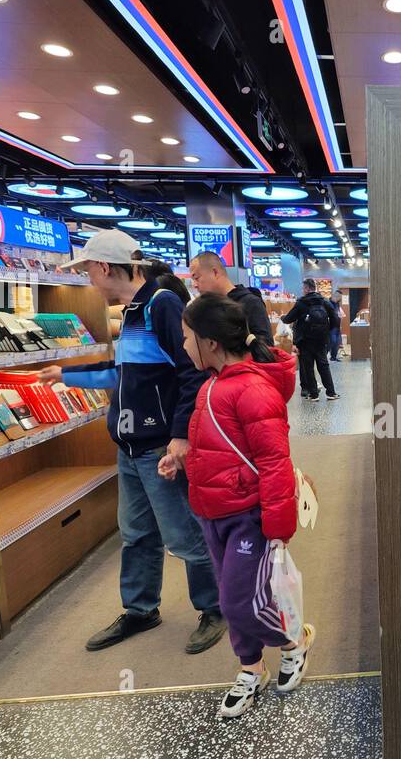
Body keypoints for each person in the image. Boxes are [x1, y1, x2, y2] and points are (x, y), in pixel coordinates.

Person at [39, 229, 227, 655]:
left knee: (183, 532)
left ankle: (214, 607)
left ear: (105, 266)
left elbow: (192, 372)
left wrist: (179, 436)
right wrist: (66, 375)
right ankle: (141, 609)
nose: (87, 278)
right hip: (129, 446)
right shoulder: (131, 311)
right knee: (137, 532)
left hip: (158, 447)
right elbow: (126, 372)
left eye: (88, 269)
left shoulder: (162, 305)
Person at [164, 292, 314, 718]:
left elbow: (273, 461)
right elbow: (216, 447)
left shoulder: (250, 390)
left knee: (235, 602)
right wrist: (180, 458)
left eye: (188, 338)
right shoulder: (211, 385)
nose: (184, 347)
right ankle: (251, 667)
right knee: (241, 594)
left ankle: (294, 641)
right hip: (213, 512)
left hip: (248, 515)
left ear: (210, 342)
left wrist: (277, 528)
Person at [188, 250, 272, 346]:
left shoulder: (250, 303)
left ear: (215, 272)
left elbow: (267, 347)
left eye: (196, 278)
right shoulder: (208, 307)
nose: (194, 285)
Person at [282, 278, 340, 401]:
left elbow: (288, 319)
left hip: (305, 341)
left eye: (303, 288)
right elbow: (335, 318)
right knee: (323, 365)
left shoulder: (301, 303)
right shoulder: (324, 301)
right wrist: (327, 331)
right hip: (321, 340)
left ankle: (314, 395)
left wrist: (283, 317)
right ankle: (331, 393)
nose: (303, 291)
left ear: (307, 288)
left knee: (308, 367)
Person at [326, 293, 343, 362]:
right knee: (332, 342)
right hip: (331, 327)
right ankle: (325, 356)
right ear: (334, 297)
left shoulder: (337, 304)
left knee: (337, 342)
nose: (339, 299)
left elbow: (338, 313)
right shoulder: (328, 304)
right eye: (339, 298)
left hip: (337, 326)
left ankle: (334, 357)